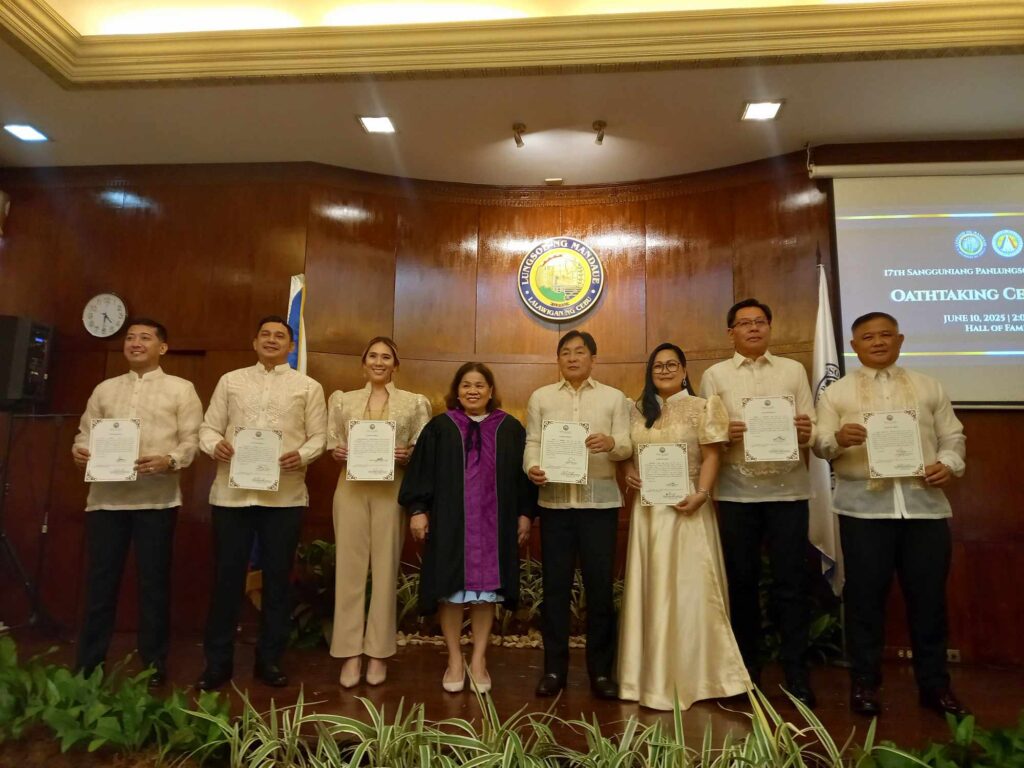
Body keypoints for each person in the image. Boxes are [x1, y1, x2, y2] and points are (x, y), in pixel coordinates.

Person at [813, 311, 969, 718]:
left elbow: (953, 435)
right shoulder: (837, 394)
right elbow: (819, 441)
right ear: (854, 346)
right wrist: (837, 440)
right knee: (864, 601)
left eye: (885, 335)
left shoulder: (927, 386)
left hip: (924, 509)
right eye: (868, 337)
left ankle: (935, 687)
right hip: (863, 512)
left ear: (899, 340)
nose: (878, 342)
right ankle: (864, 684)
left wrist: (949, 462)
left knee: (929, 601)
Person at [196, 315, 327, 690]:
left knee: (277, 583)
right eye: (265, 335)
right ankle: (217, 663)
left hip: (283, 499)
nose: (272, 340)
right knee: (226, 581)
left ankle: (269, 661)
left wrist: (300, 455)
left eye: (280, 336)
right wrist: (213, 445)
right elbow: (207, 428)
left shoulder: (308, 387)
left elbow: (319, 437)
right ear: (254, 342)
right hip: (231, 497)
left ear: (290, 346)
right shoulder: (230, 381)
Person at [71, 318, 202, 687]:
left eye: (145, 338)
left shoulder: (181, 389)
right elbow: (84, 433)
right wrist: (80, 452)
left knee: (154, 585)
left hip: (157, 501)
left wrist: (170, 461)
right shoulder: (105, 389)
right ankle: (88, 667)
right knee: (100, 585)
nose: (135, 343)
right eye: (130, 338)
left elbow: (191, 440)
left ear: (163, 347)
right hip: (105, 502)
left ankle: (154, 666)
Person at [698, 298, 817, 706]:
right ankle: (746, 672)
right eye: (744, 323)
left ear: (770, 327)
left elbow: (813, 428)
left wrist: (807, 431)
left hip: (789, 491)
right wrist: (723, 431)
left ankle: (797, 674)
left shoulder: (793, 370)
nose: (753, 328)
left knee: (791, 585)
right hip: (735, 493)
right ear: (730, 331)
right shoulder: (714, 375)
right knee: (743, 584)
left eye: (760, 322)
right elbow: (707, 434)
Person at [618, 343, 750, 709]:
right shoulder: (634, 409)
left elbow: (712, 455)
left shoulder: (703, 406)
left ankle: (704, 677)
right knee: (651, 589)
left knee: (691, 591)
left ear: (684, 368)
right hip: (648, 514)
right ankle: (647, 679)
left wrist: (702, 494)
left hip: (687, 507)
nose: (664, 370)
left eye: (671, 364)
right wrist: (628, 474)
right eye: (657, 365)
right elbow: (625, 457)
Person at [398, 362, 535, 693]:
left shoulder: (510, 429)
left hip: (494, 527)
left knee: (486, 593)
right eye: (466, 385)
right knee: (452, 592)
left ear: (491, 391)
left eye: (480, 385)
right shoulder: (440, 428)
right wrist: (418, 510)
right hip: (451, 525)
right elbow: (422, 474)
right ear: (456, 391)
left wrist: (525, 514)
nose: (473, 390)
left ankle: (479, 659)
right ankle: (455, 658)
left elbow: (523, 479)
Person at [525, 330, 632, 699]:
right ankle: (554, 670)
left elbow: (628, 444)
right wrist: (532, 468)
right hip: (554, 505)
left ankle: (601, 674)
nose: (572, 358)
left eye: (580, 352)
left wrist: (612, 444)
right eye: (565, 353)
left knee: (600, 591)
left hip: (599, 507)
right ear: (558, 360)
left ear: (593, 358)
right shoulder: (541, 397)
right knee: (554, 590)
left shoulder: (614, 398)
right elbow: (533, 442)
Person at [327, 337, 431, 688]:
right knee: (350, 572)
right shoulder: (342, 400)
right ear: (363, 362)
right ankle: (350, 654)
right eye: (372, 355)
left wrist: (408, 454)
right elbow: (331, 441)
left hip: (392, 492)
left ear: (395, 364)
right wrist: (338, 452)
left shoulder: (415, 403)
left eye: (386, 357)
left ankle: (378, 654)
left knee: (386, 571)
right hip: (351, 490)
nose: (379, 361)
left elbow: (423, 448)